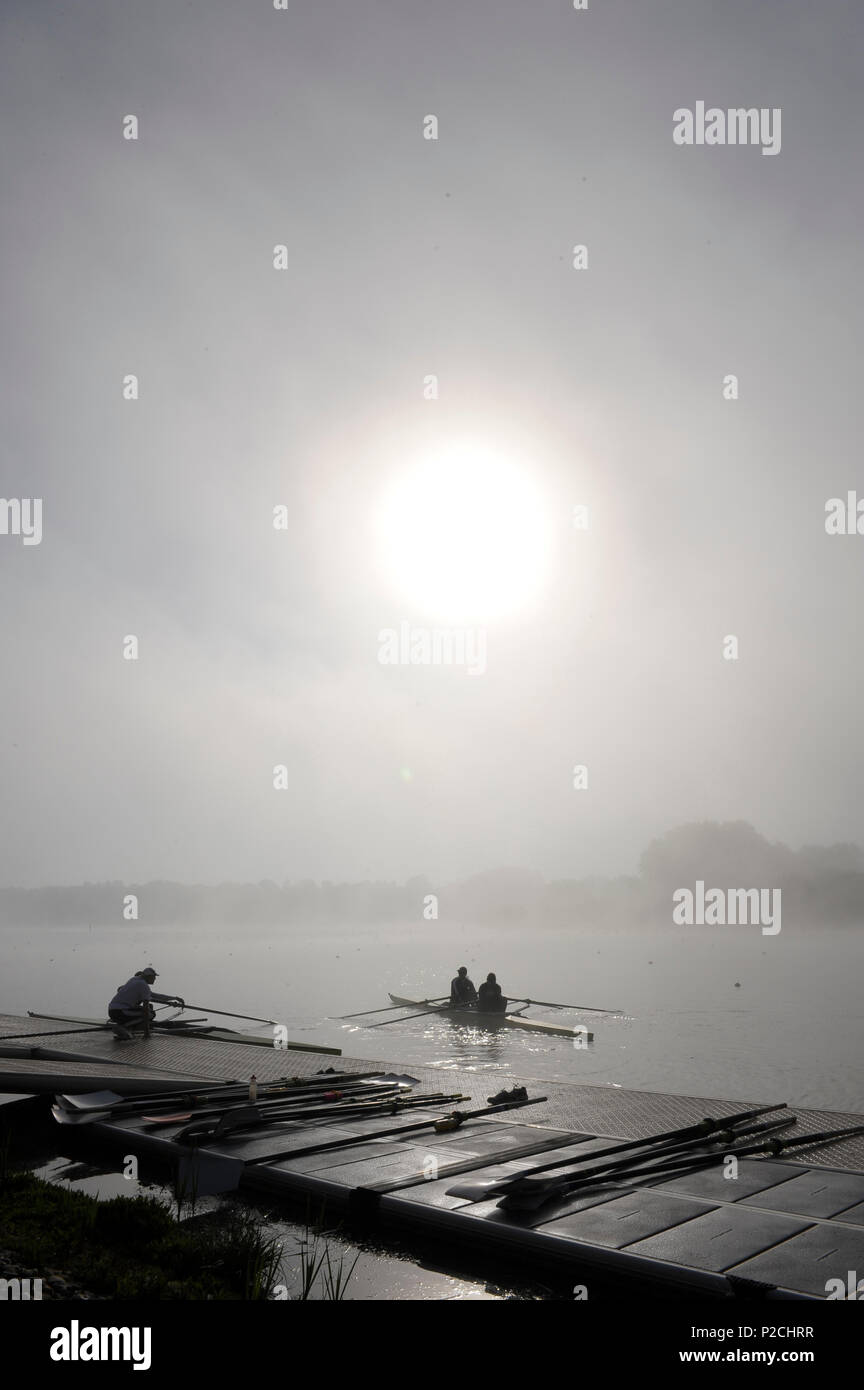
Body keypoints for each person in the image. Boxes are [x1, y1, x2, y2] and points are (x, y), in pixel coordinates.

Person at [108, 967, 184, 1039]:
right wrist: (147, 1033)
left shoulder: (134, 979)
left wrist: (174, 998)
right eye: (154, 977)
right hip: (121, 1012)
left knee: (148, 1011)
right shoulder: (143, 985)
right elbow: (145, 1008)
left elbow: (155, 995)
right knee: (150, 1014)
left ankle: (128, 1026)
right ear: (148, 977)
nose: (155, 979)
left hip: (112, 1011)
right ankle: (123, 1027)